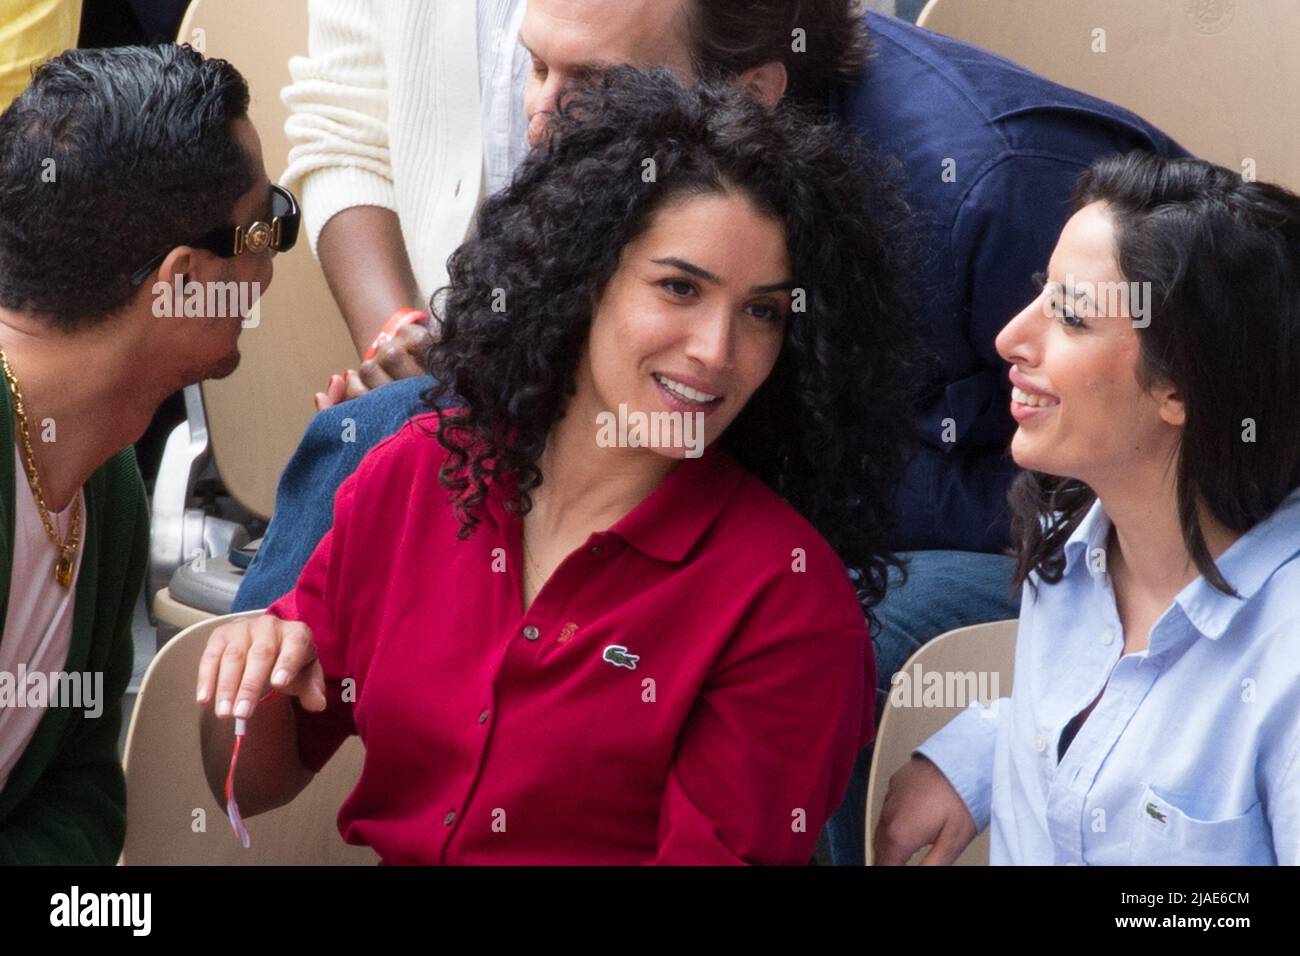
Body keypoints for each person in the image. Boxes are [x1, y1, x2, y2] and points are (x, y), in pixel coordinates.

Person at [235, 0, 1185, 864]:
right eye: (534, 70)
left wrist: (988, 730)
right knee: (387, 434)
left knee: (827, 618)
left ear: (753, 93)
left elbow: (1199, 451)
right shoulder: (446, 439)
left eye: (596, 87)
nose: (540, 122)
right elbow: (245, 773)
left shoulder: (994, 178)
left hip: (1028, 524)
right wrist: (255, 684)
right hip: (775, 459)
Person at [198, 67, 926, 865]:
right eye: (679, 288)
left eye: (762, 313)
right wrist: (248, 674)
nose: (718, 351)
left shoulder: (788, 603)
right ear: (581, 280)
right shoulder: (411, 476)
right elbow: (254, 781)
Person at [876, 151, 1300, 866]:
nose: (1010, 338)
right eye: (1042, 294)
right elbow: (1131, 709)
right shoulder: (1066, 535)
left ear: (1182, 387)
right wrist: (984, 748)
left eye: (1070, 316)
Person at [0, 44, 294, 863]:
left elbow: (83, 792)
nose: (272, 263)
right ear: (185, 280)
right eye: (266, 226)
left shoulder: (107, 480)